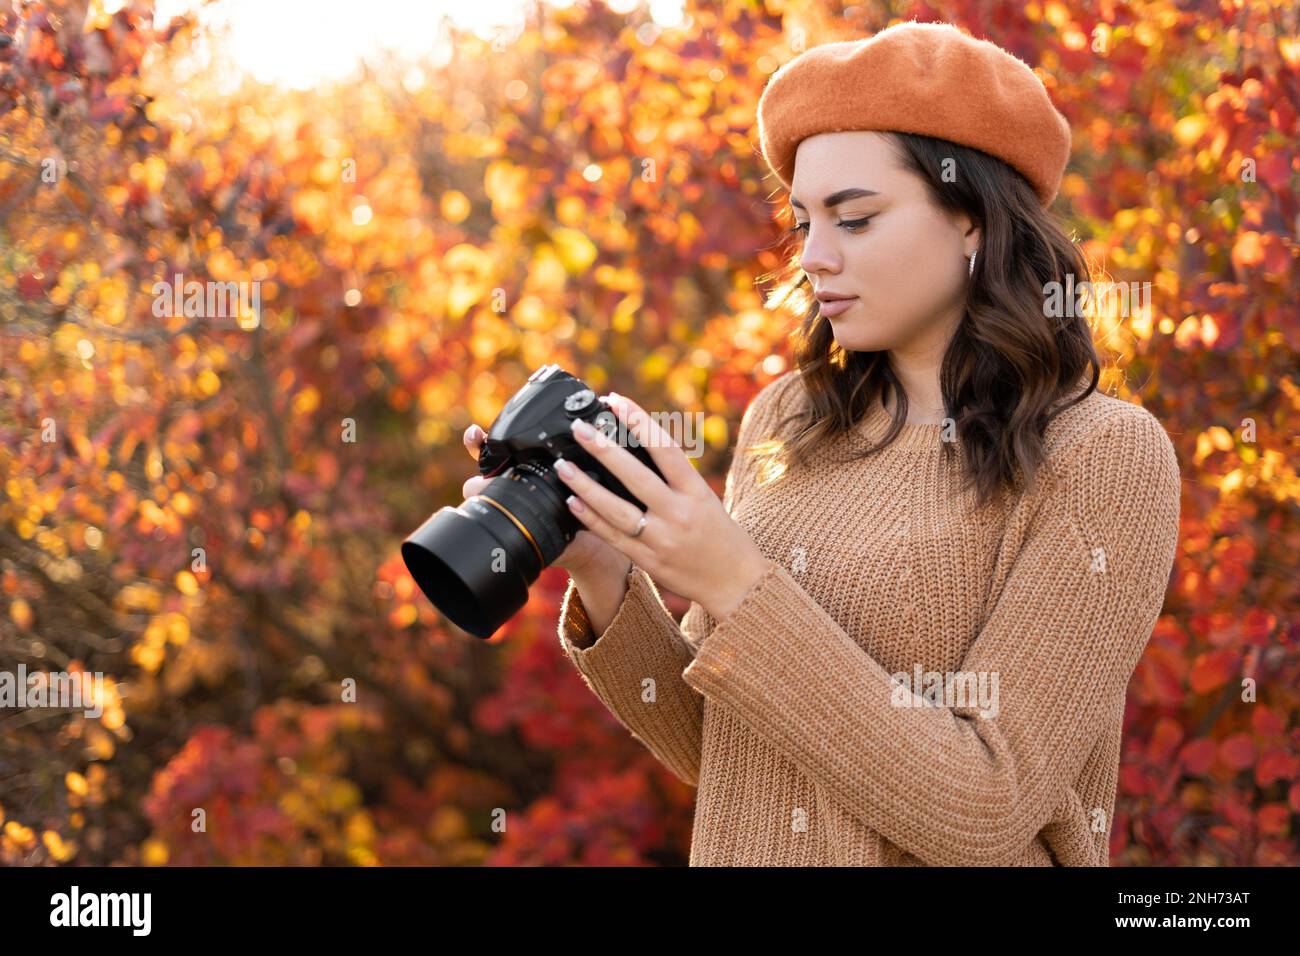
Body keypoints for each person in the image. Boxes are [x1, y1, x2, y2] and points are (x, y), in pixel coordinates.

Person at [461, 21, 1181, 866]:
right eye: (804, 221)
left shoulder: (1103, 456)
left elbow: (988, 806)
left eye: (856, 219)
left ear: (974, 221)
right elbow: (732, 753)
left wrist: (738, 582)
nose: (814, 256)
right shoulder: (789, 423)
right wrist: (606, 572)